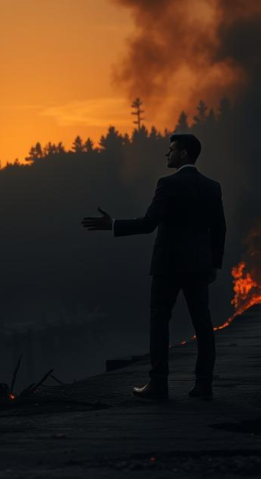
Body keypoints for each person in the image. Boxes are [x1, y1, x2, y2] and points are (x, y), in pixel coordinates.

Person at [81, 133, 226, 401]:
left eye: (171, 150)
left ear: (183, 154)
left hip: (167, 266)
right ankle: (204, 384)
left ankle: (158, 384)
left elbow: (149, 224)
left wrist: (113, 224)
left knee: (160, 322)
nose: (166, 154)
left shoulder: (167, 184)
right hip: (199, 267)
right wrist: (214, 264)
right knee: (203, 324)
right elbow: (219, 229)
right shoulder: (212, 186)